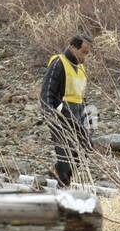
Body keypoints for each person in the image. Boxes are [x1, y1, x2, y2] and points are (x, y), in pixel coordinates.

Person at [40, 35, 93, 186]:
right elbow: (47, 92)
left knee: (85, 147)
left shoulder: (81, 67)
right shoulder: (59, 62)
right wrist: (50, 114)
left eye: (87, 53)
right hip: (61, 114)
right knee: (66, 150)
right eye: (83, 52)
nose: (85, 56)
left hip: (78, 113)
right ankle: (63, 183)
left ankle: (58, 172)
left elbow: (81, 95)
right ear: (72, 47)